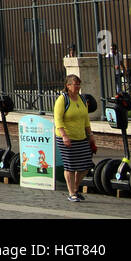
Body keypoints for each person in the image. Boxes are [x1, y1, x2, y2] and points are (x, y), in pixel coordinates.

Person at [54, 74, 97, 202]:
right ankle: (72, 192)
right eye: (75, 84)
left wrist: (91, 135)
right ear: (68, 86)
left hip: (81, 137)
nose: (77, 87)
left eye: (79, 84)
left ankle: (76, 187)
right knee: (70, 166)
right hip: (66, 138)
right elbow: (58, 119)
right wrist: (64, 136)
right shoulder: (62, 100)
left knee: (85, 165)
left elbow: (85, 119)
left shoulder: (82, 99)